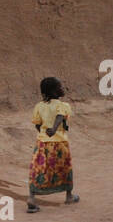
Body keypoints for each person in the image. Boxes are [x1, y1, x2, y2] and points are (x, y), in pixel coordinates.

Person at [27, 76, 76, 212]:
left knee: (38, 170)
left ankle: (31, 198)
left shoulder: (39, 106)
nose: (62, 88)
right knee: (64, 169)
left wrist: (44, 132)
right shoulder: (63, 105)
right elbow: (60, 116)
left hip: (42, 143)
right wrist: (54, 129)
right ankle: (69, 196)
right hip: (60, 143)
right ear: (54, 92)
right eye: (59, 87)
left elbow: (37, 124)